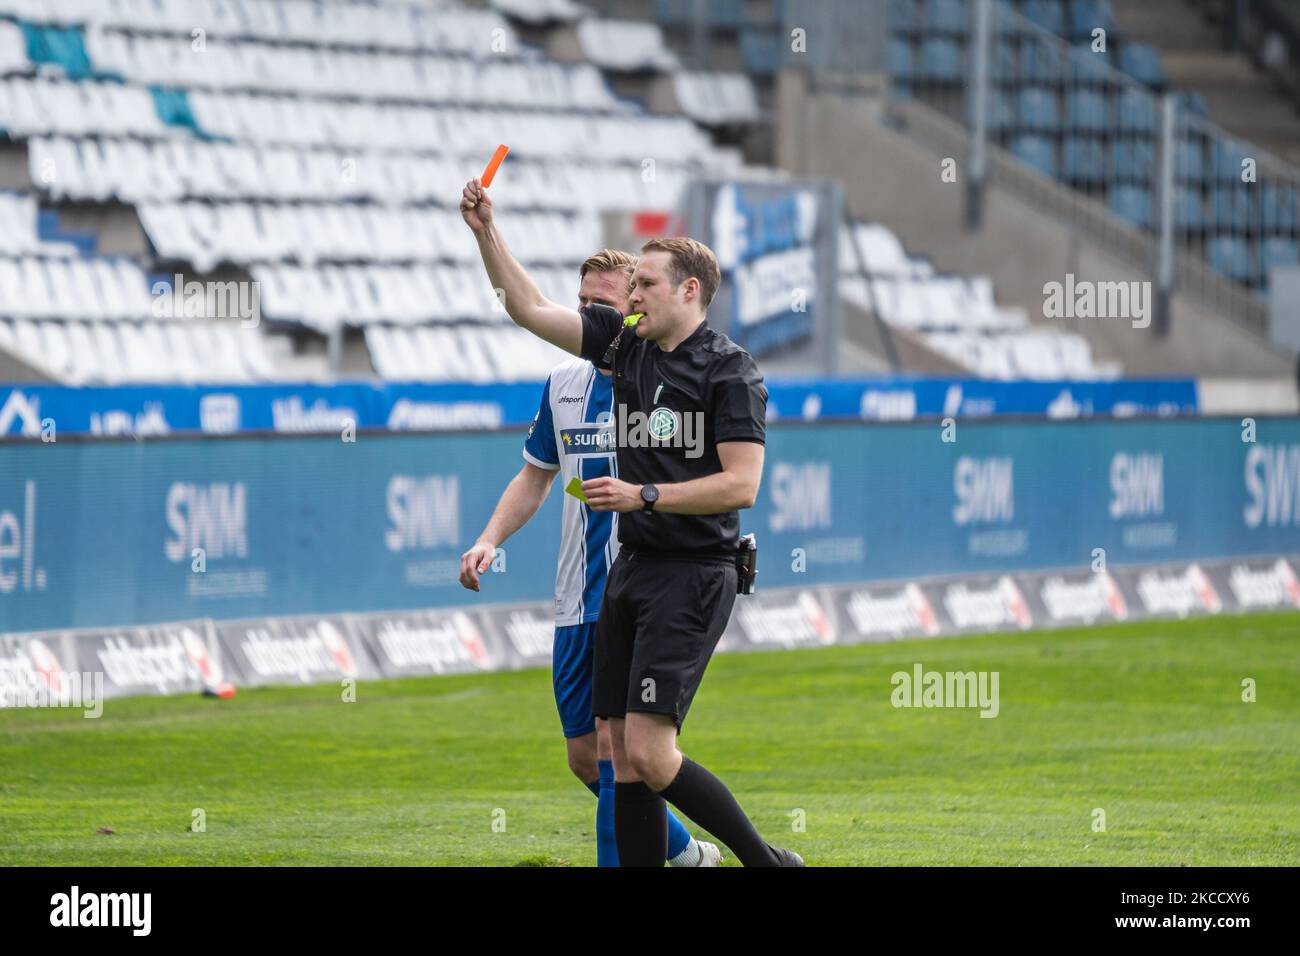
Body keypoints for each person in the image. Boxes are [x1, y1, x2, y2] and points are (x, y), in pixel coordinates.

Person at [460, 176, 803, 867]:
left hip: (693, 572)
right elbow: (527, 307)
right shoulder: (626, 348)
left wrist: (644, 498)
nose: (634, 295)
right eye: (634, 284)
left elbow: (743, 484)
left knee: (649, 752)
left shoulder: (731, 373)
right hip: (631, 572)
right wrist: (485, 231)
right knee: (617, 758)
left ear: (689, 293)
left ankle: (764, 862)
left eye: (645, 284)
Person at [457, 247, 720, 867]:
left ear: (633, 304)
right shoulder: (562, 386)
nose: (589, 318)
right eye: (583, 306)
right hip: (575, 598)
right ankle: (688, 858)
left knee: (617, 751)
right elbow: (536, 477)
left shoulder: (660, 381)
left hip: (636, 592)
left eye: (602, 306)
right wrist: (490, 538)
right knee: (586, 758)